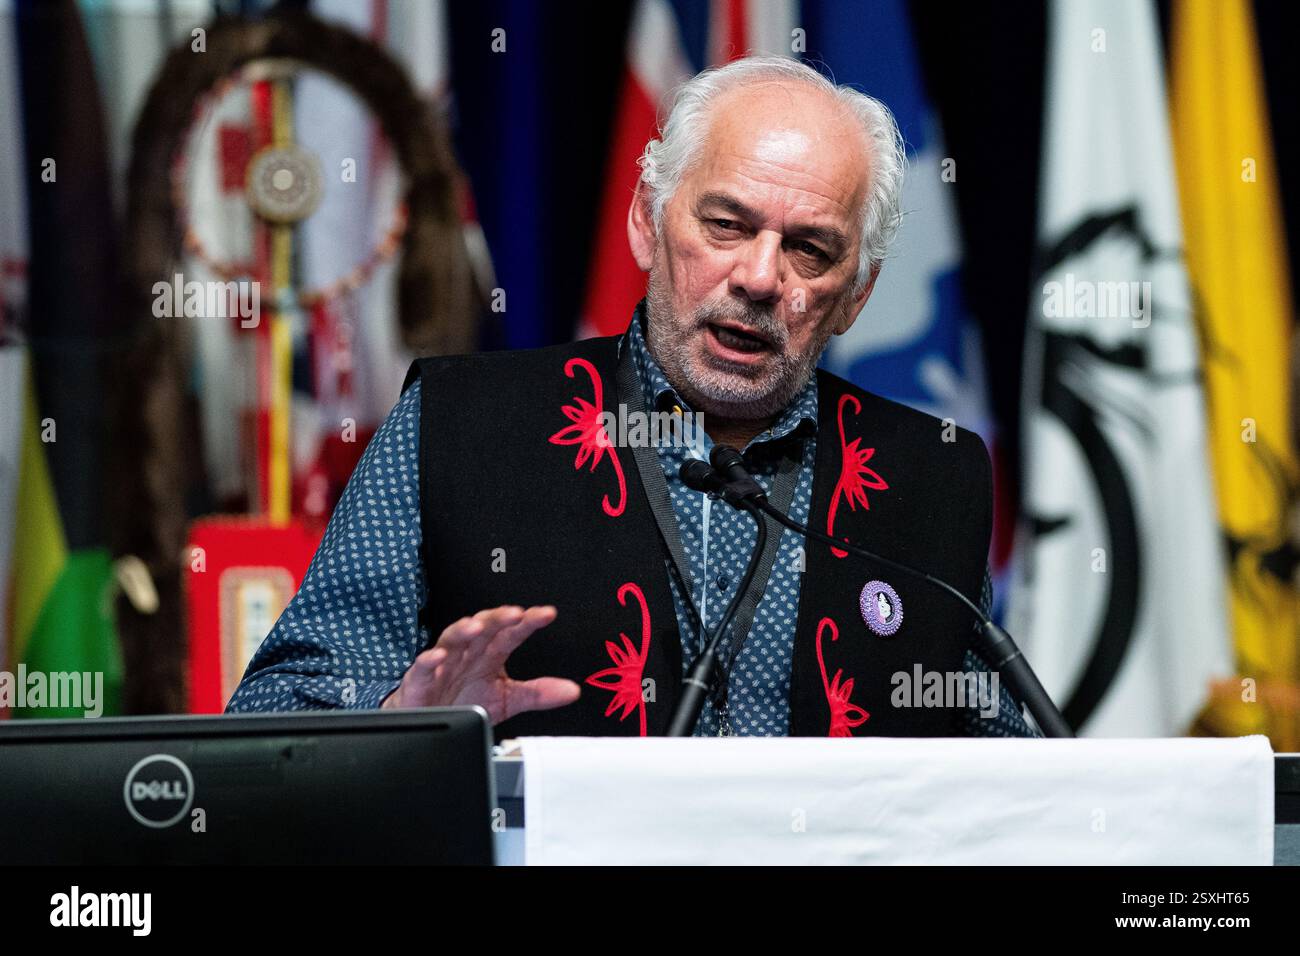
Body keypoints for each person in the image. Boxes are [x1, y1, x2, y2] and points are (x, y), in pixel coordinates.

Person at [227, 55, 1035, 739]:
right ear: (647, 222)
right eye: (726, 224)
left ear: (856, 294)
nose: (759, 278)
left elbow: (1008, 787)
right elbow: (276, 722)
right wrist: (409, 722)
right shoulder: (456, 427)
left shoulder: (932, 479)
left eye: (810, 249)